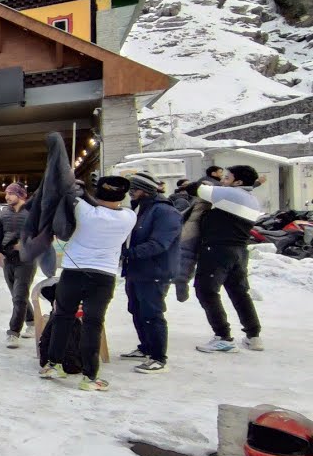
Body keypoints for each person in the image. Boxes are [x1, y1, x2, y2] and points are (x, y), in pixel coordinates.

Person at [40, 176, 137, 392]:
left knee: (63, 317)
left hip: (73, 273)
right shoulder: (129, 217)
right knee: (93, 324)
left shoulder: (83, 211)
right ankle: (90, 376)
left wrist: (79, 189)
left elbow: (70, 197)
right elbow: (107, 207)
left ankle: (53, 364)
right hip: (104, 276)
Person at [191, 165, 266, 353]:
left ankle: (223, 336)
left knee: (206, 291)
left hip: (217, 250)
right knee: (239, 292)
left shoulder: (230, 195)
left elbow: (194, 188)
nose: (222, 181)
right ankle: (253, 335)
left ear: (238, 182)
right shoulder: (251, 199)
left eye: (226, 178)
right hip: (239, 251)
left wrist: (207, 183)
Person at [120, 172, 183, 373]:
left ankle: (158, 356)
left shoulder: (164, 212)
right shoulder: (141, 209)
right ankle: (145, 347)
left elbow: (159, 244)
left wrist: (128, 253)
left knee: (152, 313)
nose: (131, 194)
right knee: (136, 310)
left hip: (155, 270)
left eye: (134, 190)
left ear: (144, 190)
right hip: (136, 270)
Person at [0, 183, 36, 348]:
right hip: (8, 261)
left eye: (10, 194)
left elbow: (43, 236)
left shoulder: (32, 213)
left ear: (20, 195)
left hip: (26, 261)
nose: (6, 197)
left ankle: (13, 333)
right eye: (6, 194)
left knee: (19, 296)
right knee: (18, 296)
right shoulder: (4, 213)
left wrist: (25, 246)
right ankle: (31, 321)